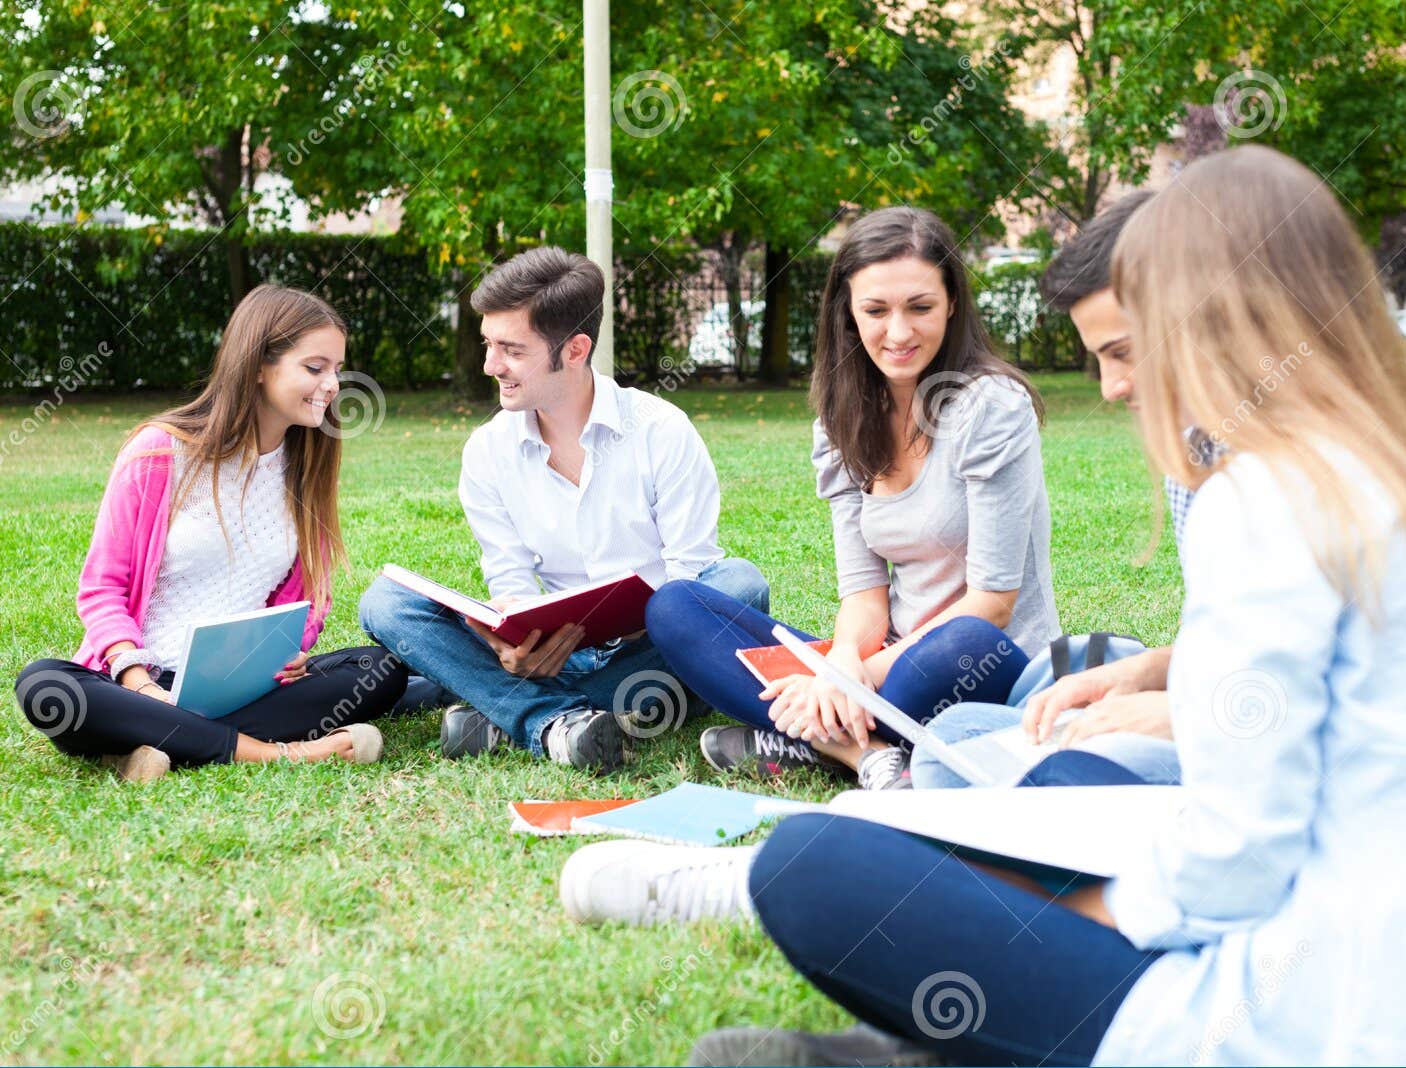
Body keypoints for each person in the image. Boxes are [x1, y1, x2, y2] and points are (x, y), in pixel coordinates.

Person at [691, 145, 1406, 1066]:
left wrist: (1061, 905)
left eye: (1123, 351)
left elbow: (1239, 859)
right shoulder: (1390, 476)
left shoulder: (1264, 498)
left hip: (1315, 1029)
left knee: (813, 866)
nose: (1112, 388)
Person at [640, 206, 1058, 793]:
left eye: (920, 307)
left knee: (960, 643)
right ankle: (864, 752)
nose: (899, 332)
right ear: (848, 313)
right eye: (875, 310)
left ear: (953, 304)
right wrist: (838, 665)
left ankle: (814, 734)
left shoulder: (990, 408)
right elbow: (864, 596)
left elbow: (993, 604)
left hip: (975, 664)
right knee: (677, 606)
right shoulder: (841, 423)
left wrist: (849, 681)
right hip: (883, 664)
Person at [358, 247, 768, 771]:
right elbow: (509, 577)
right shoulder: (488, 450)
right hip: (551, 653)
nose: (490, 366)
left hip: (649, 644)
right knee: (386, 602)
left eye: (511, 349)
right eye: (488, 345)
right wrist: (516, 649)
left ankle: (505, 713)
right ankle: (553, 717)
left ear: (574, 349)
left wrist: (642, 625)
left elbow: (689, 573)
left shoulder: (661, 431)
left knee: (740, 585)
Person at [15, 285, 406, 783]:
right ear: (259, 365)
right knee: (46, 685)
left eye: (337, 369)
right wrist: (138, 681)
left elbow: (309, 600)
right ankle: (284, 753)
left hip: (242, 685)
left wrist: (294, 648)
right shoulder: (158, 453)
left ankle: (152, 745)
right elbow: (102, 588)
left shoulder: (307, 467)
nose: (332, 384)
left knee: (381, 670)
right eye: (315, 368)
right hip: (138, 682)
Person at [910, 191, 1187, 790]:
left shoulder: (1305, 468)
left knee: (1041, 764)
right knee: (946, 746)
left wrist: (1183, 712)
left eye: (1125, 354)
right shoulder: (1195, 458)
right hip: (1210, 701)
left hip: (1264, 749)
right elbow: (1234, 644)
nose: (1111, 388)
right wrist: (1145, 673)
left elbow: (1332, 688)